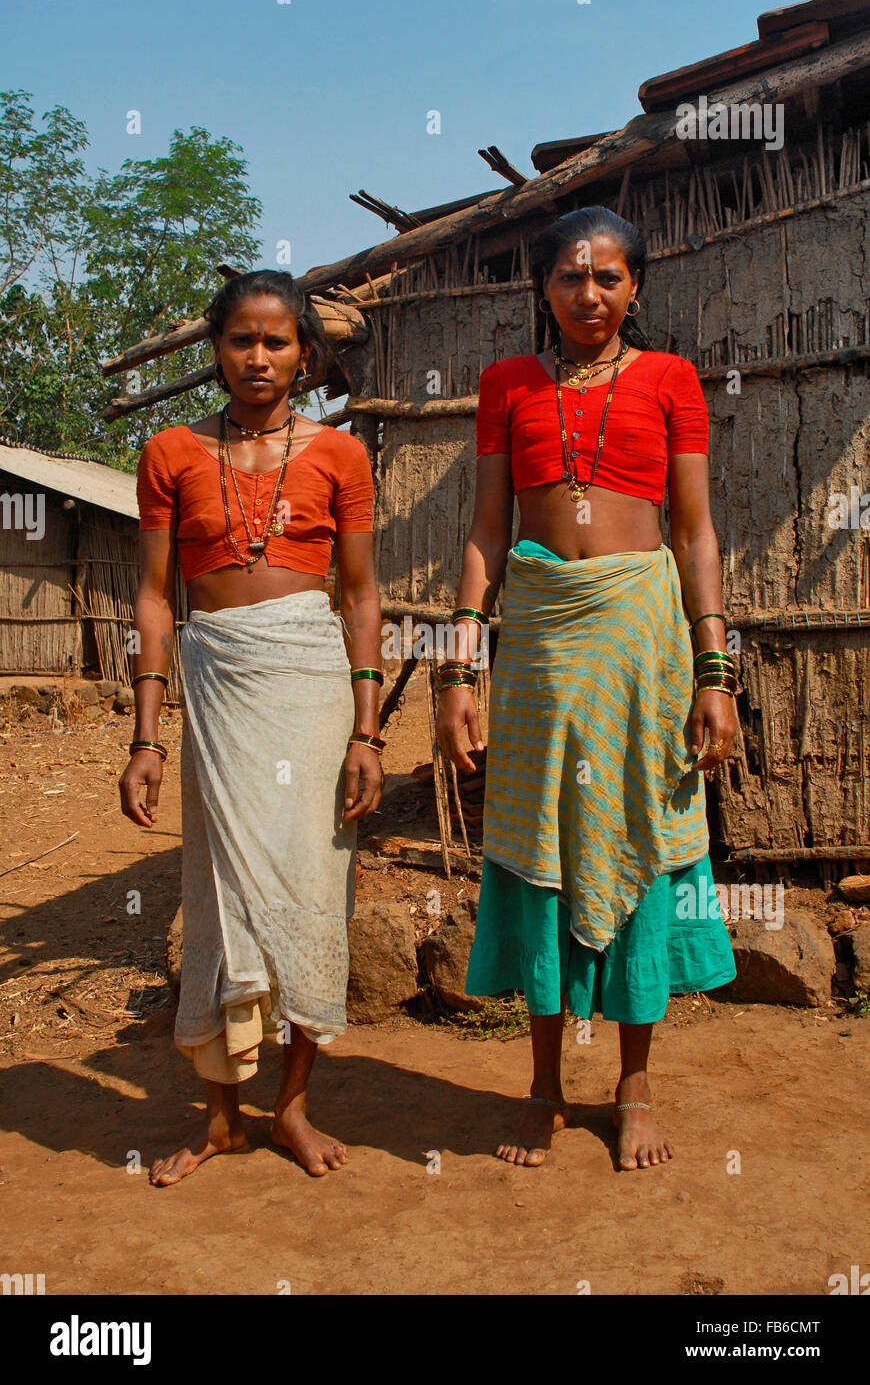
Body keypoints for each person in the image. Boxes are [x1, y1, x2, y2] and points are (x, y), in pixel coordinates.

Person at [436, 207, 739, 1172]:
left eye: (608, 276)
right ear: (543, 289)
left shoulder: (670, 381)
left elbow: (693, 534)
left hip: (643, 638)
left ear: (636, 287)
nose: (588, 293)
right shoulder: (506, 386)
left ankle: (635, 1087)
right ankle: (542, 1088)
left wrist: (713, 670)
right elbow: (487, 532)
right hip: (538, 640)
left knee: (640, 850)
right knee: (536, 848)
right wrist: (458, 670)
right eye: (570, 277)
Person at [119, 270, 384, 1184]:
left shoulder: (342, 457)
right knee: (224, 892)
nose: (259, 356)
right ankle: (222, 1115)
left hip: (311, 686)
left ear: (305, 355)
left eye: (277, 341)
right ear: (216, 352)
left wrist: (366, 731)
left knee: (313, 890)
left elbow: (359, 595)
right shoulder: (169, 453)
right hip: (218, 686)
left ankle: (293, 1108)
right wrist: (147, 738)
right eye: (242, 340)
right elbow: (156, 599)